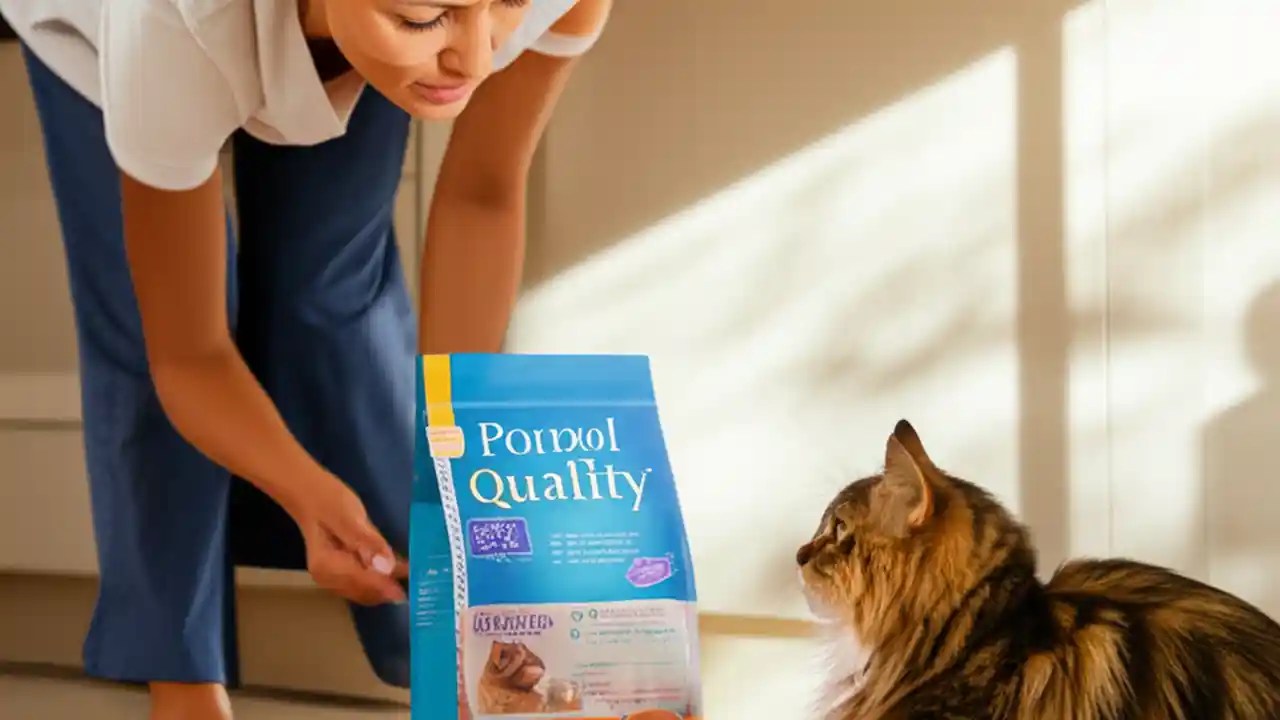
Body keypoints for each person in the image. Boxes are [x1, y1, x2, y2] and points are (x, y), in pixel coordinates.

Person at [0, 0, 611, 717]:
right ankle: (184, 684)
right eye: (423, 18)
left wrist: (459, 466)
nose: (477, 60)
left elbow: (481, 195)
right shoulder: (166, 27)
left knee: (327, 287)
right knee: (147, 315)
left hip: (317, 23)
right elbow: (189, 356)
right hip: (114, 29)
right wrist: (306, 495)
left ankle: (443, 640)